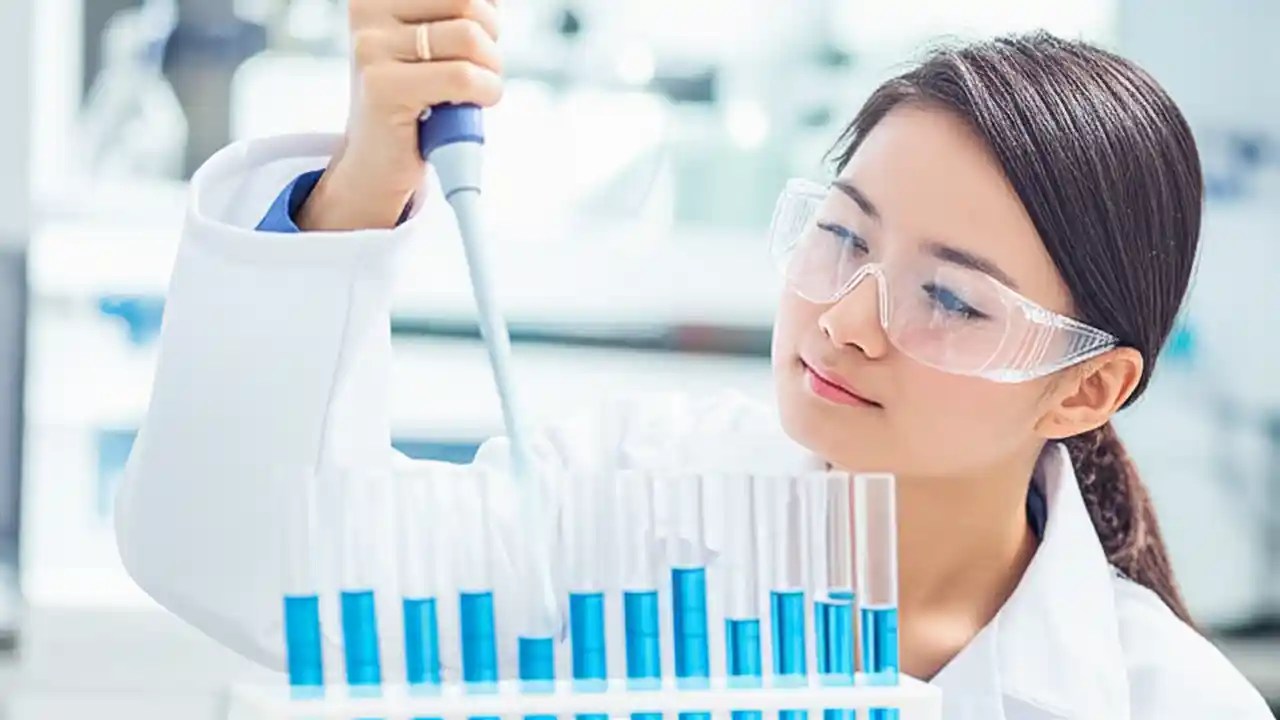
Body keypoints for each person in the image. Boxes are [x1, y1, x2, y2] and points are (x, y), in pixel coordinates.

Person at [112, 1, 1273, 717]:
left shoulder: (1167, 704)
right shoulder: (621, 503)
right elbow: (234, 554)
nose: (847, 320)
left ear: (1084, 386)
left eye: (947, 299)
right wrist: (368, 178)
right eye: (841, 236)